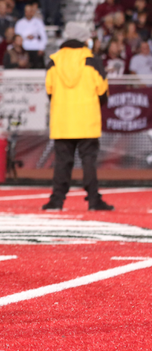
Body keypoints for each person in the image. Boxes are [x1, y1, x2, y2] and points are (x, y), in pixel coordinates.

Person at [43, 23, 113, 211]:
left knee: (62, 162)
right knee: (89, 161)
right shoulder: (92, 60)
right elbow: (102, 91)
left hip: (62, 119)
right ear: (84, 38)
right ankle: (93, 200)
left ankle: (56, 200)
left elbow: (49, 90)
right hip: (87, 118)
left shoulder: (54, 61)